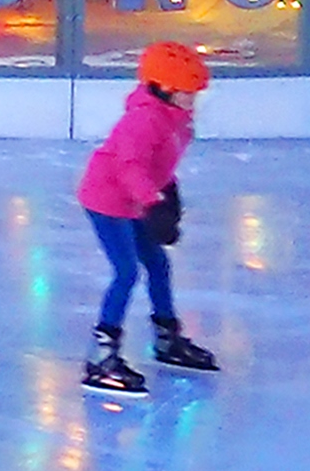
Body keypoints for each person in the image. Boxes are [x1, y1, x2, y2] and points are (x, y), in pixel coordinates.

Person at [75, 40, 214, 400]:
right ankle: (101, 356)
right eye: (188, 93)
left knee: (158, 263)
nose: (193, 100)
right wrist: (153, 204)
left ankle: (167, 338)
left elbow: (159, 163)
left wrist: (169, 192)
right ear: (164, 89)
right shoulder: (143, 119)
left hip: (137, 198)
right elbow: (129, 166)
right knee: (126, 271)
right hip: (107, 198)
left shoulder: (173, 118)